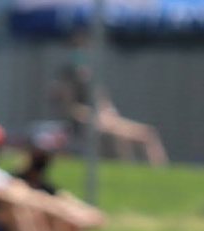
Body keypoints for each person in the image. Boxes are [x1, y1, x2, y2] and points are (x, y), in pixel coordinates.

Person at [47, 35, 168, 167]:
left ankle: (161, 173)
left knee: (147, 134)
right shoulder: (66, 78)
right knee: (117, 138)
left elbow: (103, 102)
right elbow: (69, 108)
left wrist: (108, 114)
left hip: (106, 120)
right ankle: (126, 172)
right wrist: (93, 116)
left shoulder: (90, 75)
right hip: (85, 125)